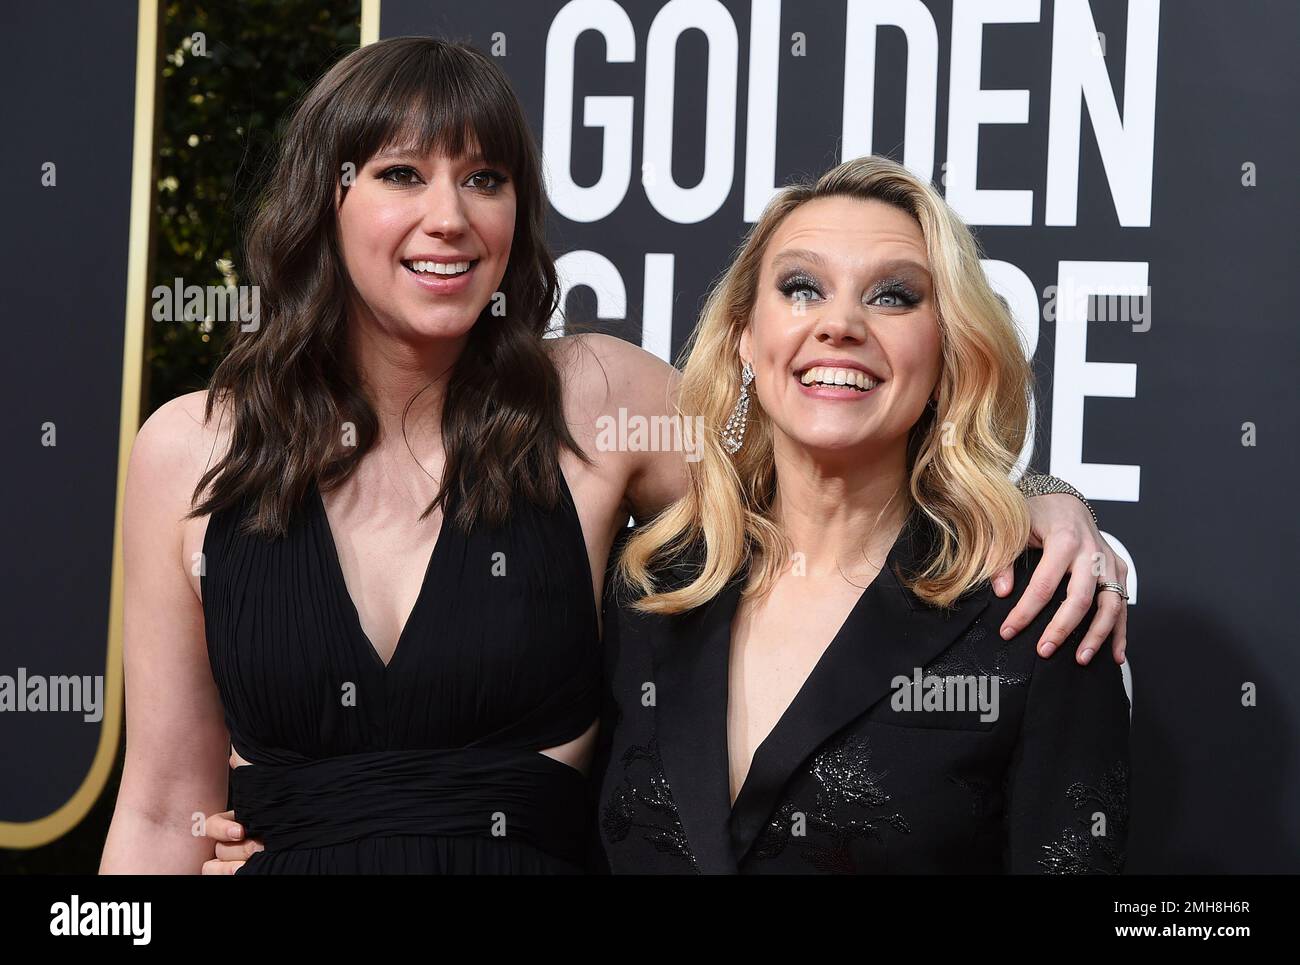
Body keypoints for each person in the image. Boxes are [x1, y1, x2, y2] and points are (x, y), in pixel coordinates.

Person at [99, 38, 1123, 875]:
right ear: (325, 200)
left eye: (485, 178)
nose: (448, 216)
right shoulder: (190, 448)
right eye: (402, 174)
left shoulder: (600, 396)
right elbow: (156, 813)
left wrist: (1038, 497)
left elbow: (818, 450)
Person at [596, 156, 1130, 874]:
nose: (840, 323)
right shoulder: (645, 588)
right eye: (801, 287)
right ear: (744, 339)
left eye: (893, 296)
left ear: (948, 351)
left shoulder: (1031, 610)